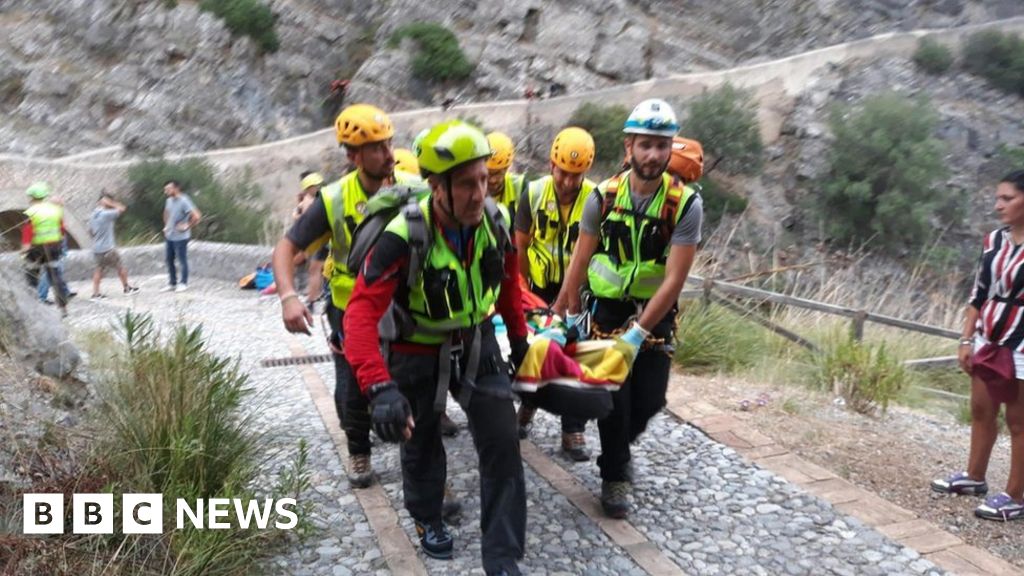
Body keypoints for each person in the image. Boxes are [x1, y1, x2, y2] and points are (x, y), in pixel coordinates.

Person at [342, 120, 529, 575]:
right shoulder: (403, 238)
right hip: (416, 350)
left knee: (503, 442)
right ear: (435, 185)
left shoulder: (495, 223)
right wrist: (379, 388)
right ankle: (427, 517)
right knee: (421, 439)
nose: (478, 194)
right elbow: (360, 315)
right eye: (466, 184)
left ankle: (502, 558)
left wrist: (521, 344)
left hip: (477, 341)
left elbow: (508, 287)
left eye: (484, 180)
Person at [553, 99, 703, 519]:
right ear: (629, 147)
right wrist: (564, 313)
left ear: (670, 149)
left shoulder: (685, 204)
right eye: (645, 145)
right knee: (613, 401)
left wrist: (639, 332)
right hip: (605, 314)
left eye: (661, 145)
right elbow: (579, 262)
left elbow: (675, 278)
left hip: (654, 316)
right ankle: (614, 474)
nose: (653, 155)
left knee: (651, 399)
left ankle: (619, 450)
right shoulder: (602, 197)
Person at [273, 104, 422, 488]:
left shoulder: (413, 188)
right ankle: (359, 449)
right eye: (376, 148)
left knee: (413, 383)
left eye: (389, 143)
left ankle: (423, 463)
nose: (388, 154)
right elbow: (287, 248)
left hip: (405, 305)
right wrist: (289, 296)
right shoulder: (335, 199)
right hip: (349, 308)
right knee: (353, 390)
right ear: (353, 156)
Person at [931, 170, 1024, 522]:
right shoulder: (994, 242)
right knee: (982, 409)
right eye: (998, 198)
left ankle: (1016, 495)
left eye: (1007, 198)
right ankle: (974, 478)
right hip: (988, 335)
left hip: (1023, 342)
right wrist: (966, 338)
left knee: (1020, 420)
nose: (998, 205)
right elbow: (978, 294)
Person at [514, 126, 597, 461]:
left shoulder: (595, 197)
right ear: (552, 166)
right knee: (537, 352)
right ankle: (529, 404)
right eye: (563, 173)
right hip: (538, 288)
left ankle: (573, 429)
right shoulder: (532, 193)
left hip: (577, 292)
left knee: (577, 356)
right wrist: (521, 291)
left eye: (576, 175)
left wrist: (574, 297)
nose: (568, 182)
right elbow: (520, 245)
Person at [21, 182, 70, 316]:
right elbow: (62, 230)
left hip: (36, 250)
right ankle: (63, 308)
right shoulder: (56, 210)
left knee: (31, 277)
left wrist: (24, 251)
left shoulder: (30, 212)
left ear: (31, 197)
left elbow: (27, 234)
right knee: (55, 277)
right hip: (54, 248)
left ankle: (32, 308)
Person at [89, 193, 139, 299]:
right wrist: (111, 203)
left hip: (97, 248)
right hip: (108, 248)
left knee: (99, 270)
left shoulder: (93, 215)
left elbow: (91, 232)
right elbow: (122, 208)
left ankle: (96, 293)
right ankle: (127, 288)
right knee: (120, 267)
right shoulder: (106, 214)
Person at [162, 180, 201, 292]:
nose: (166, 191)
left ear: (176, 188)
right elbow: (166, 213)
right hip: (170, 235)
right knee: (169, 259)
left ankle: (183, 283)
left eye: (168, 189)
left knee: (182, 260)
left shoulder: (184, 200)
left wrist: (187, 225)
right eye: (165, 189)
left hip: (181, 237)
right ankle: (172, 283)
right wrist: (166, 226)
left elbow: (197, 216)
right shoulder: (169, 200)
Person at [484, 132, 526, 218]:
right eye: (487, 173)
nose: (492, 180)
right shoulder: (471, 192)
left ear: (507, 168)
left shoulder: (521, 187)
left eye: (498, 173)